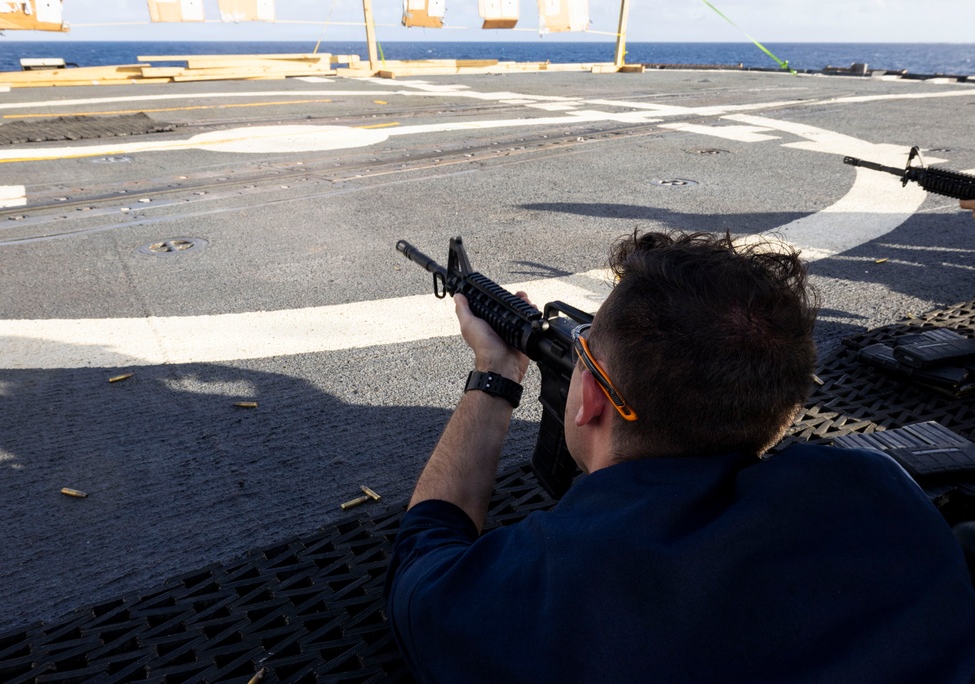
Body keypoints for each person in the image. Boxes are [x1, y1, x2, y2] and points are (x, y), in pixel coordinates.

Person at [385, 230, 975, 683]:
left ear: (587, 396)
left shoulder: (542, 587)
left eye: (583, 354)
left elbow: (425, 555)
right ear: (788, 409)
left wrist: (496, 372)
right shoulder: (883, 495)